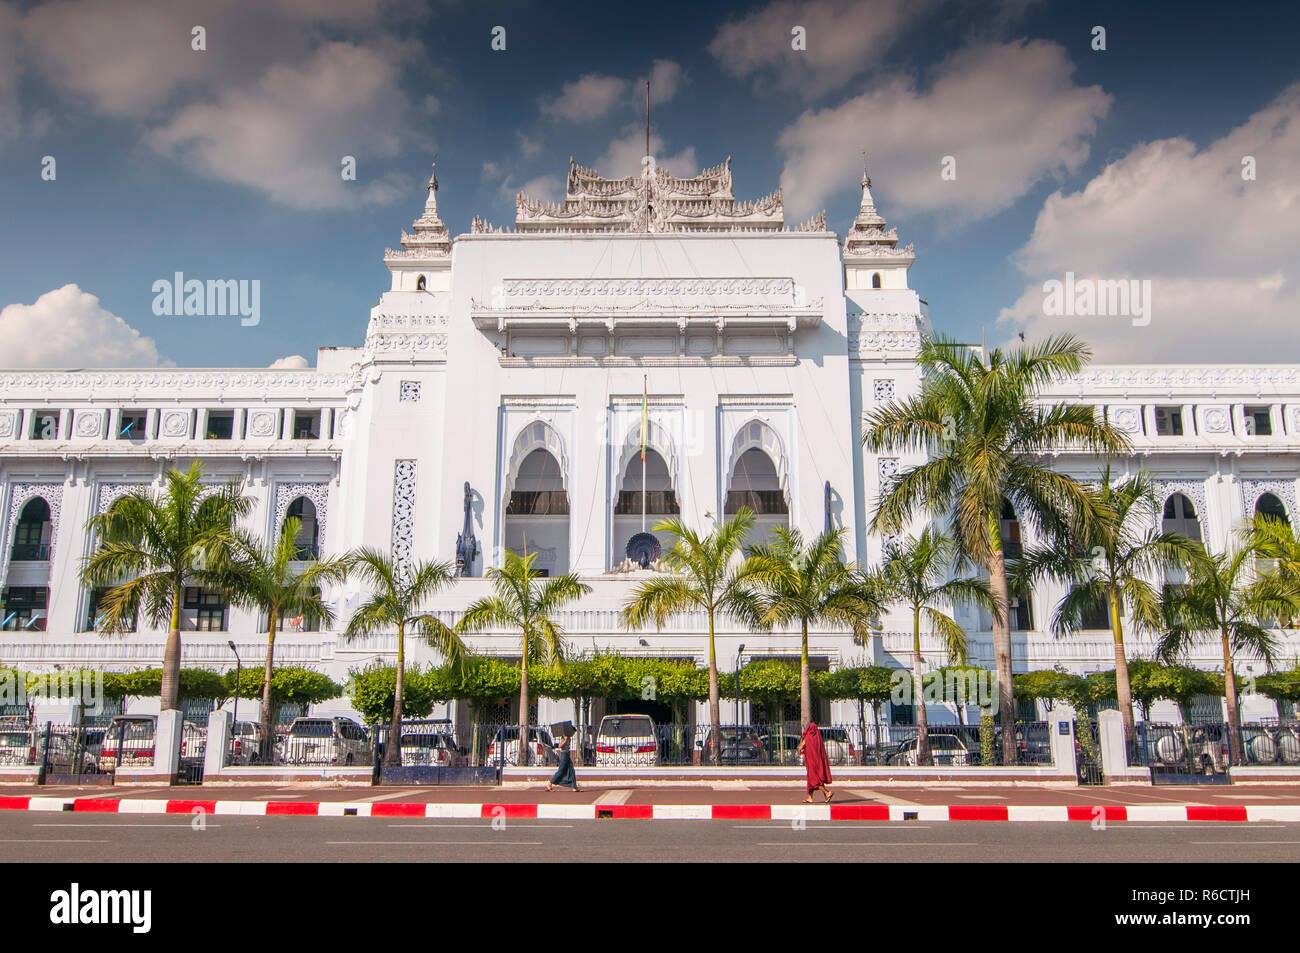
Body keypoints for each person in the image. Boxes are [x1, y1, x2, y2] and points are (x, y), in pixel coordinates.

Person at [798, 720, 833, 803]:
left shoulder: (808, 737)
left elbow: (801, 747)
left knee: (814, 780)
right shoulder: (818, 737)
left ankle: (827, 792)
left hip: (811, 762)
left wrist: (800, 749)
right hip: (818, 761)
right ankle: (810, 797)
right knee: (813, 780)